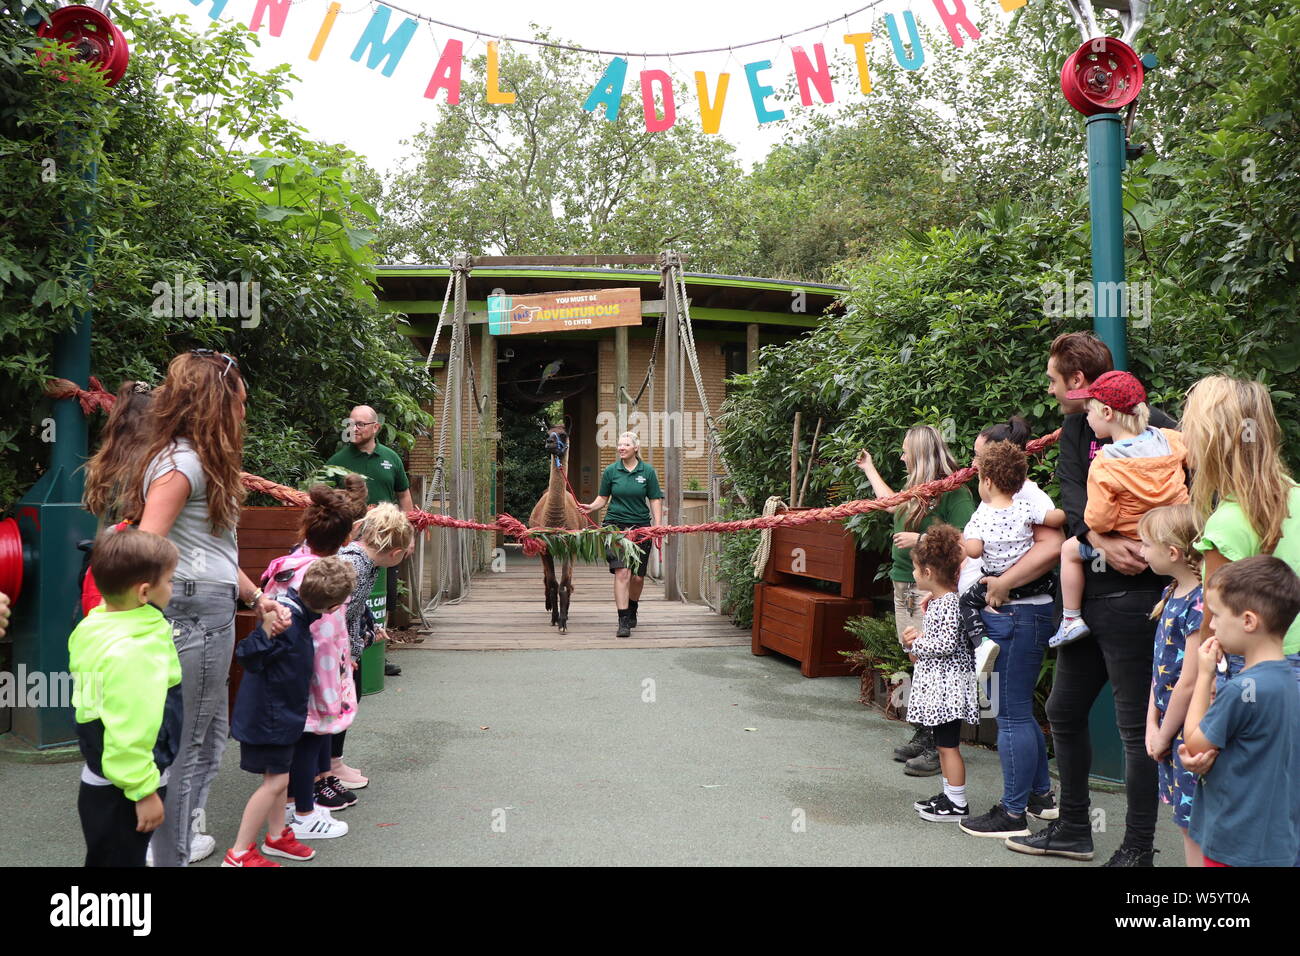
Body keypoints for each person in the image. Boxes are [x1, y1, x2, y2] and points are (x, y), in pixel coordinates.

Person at [1007, 331, 1179, 866]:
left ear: (1078, 382)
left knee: (1134, 727)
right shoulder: (1077, 430)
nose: (1052, 388)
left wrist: (1150, 544)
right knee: (1063, 708)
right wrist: (1102, 538)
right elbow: (1078, 503)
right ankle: (1074, 829)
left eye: (1056, 379)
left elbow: (1189, 498)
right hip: (1089, 592)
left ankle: (1137, 848)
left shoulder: (1164, 426)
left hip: (1139, 597)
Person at [124, 350, 291, 868]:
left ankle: (182, 829)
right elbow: (145, 545)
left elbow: (213, 551)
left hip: (211, 604)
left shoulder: (199, 460)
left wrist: (254, 595)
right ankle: (165, 849)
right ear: (218, 402)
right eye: (239, 401)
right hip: (192, 611)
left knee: (208, 731)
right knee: (191, 737)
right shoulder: (183, 464)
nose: (245, 411)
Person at [958, 419, 1064, 838]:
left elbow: (1052, 542)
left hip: (1018, 613)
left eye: (979, 457)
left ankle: (1013, 812)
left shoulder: (1023, 497)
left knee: (1010, 714)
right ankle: (1039, 795)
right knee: (1015, 709)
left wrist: (1001, 583)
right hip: (1019, 612)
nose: (972, 464)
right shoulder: (1020, 500)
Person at [856, 424, 976, 776]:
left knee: (933, 662)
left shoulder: (955, 493)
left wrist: (920, 538)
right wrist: (869, 468)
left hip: (933, 590)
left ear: (921, 454)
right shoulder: (916, 490)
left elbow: (965, 541)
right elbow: (888, 503)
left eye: (907, 450)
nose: (902, 455)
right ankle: (927, 734)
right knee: (916, 656)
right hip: (904, 583)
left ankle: (938, 747)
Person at [224, 557, 356, 867]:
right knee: (275, 783)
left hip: (280, 715)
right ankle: (240, 852)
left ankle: (277, 835)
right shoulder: (288, 622)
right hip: (271, 718)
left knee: (279, 780)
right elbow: (247, 654)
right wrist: (267, 634)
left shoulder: (292, 611)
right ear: (334, 607)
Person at [260, 481, 367, 839]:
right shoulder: (326, 574)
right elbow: (325, 632)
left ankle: (293, 803)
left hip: (283, 672)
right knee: (309, 739)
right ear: (343, 539)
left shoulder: (288, 566)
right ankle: (304, 814)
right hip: (313, 673)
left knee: (297, 740)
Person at [68, 527, 182, 867]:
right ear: (145, 591)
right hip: (127, 785)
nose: (174, 588)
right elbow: (130, 728)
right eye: (171, 581)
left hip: (103, 773)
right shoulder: (135, 649)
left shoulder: (95, 624)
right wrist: (144, 791)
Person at [1052, 371, 1189, 648]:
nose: (1086, 418)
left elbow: (1099, 521)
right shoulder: (1168, 440)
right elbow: (1191, 455)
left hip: (1128, 544)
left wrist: (1101, 529)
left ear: (1106, 412)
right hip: (1169, 539)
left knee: (1068, 550)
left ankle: (1070, 619)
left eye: (1089, 411)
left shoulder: (1106, 462)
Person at [1182, 556, 1300, 867]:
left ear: (1248, 621)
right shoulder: (1288, 682)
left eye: (1217, 615)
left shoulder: (1240, 690)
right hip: (1280, 842)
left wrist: (1204, 675)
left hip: (1235, 841)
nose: (1211, 624)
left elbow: (1194, 743)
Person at [1137, 505, 1205, 867]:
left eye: (1146, 544)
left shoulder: (1199, 602)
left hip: (1187, 730)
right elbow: (1158, 669)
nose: (1140, 551)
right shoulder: (1172, 591)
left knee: (1194, 824)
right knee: (1182, 820)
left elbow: (1190, 679)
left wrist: (1164, 734)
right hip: (1167, 725)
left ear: (1173, 552)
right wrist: (1152, 722)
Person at [956, 440, 1065, 660]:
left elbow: (974, 551)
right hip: (1033, 583)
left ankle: (981, 642)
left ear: (987, 482)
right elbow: (1055, 518)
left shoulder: (981, 516)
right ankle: (1064, 622)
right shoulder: (1027, 507)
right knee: (1058, 585)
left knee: (966, 602)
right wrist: (1066, 513)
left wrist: (968, 540)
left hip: (996, 588)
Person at [333, 503, 415, 789]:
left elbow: (356, 605)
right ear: (395, 554)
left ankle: (334, 761)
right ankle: (325, 770)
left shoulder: (369, 565)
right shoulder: (353, 565)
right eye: (404, 553)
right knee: (338, 705)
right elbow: (334, 613)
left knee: (350, 699)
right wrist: (344, 654)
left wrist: (369, 626)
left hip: (348, 648)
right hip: (334, 655)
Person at [902, 524, 980, 822]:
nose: (913, 574)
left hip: (949, 688)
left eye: (915, 569)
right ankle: (949, 796)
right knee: (943, 745)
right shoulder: (940, 601)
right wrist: (916, 642)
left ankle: (957, 803)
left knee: (948, 747)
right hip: (942, 685)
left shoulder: (947, 603)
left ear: (928, 572)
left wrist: (918, 642)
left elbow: (946, 644)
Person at [328, 404, 412, 677]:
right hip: (349, 542)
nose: (355, 428)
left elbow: (404, 496)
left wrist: (408, 534)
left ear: (376, 427)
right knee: (349, 596)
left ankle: (378, 652)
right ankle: (340, 650)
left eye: (361, 424)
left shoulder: (390, 458)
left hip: (385, 542)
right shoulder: (337, 461)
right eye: (351, 423)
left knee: (382, 596)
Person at [578, 431, 664, 639]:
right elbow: (603, 498)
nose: (621, 448)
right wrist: (591, 507)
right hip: (615, 527)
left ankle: (633, 606)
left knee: (637, 577)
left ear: (636, 448)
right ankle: (623, 619)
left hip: (641, 528)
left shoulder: (648, 472)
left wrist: (658, 526)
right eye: (619, 444)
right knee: (622, 572)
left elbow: (654, 499)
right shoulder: (610, 471)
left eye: (626, 444)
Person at [80, 380, 154, 615]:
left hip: (102, 560)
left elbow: (92, 506)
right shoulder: (154, 464)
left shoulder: (102, 462)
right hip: (135, 563)